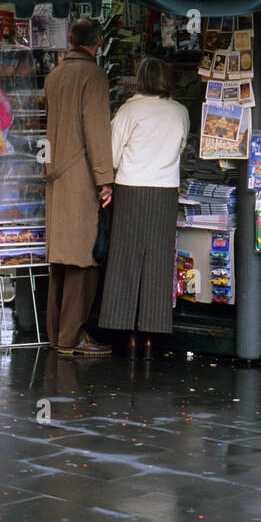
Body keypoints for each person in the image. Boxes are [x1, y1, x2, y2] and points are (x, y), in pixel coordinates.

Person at [98, 57, 189, 359]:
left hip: (131, 188)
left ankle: (126, 332)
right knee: (159, 262)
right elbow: (180, 148)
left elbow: (111, 154)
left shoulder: (129, 110)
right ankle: (152, 335)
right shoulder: (180, 112)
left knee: (125, 258)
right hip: (165, 192)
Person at [43, 16, 114, 357]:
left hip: (56, 177)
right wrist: (105, 179)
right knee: (84, 260)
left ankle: (57, 334)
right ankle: (73, 338)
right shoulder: (93, 76)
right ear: (97, 43)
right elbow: (97, 130)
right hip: (81, 176)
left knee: (60, 261)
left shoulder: (55, 75)